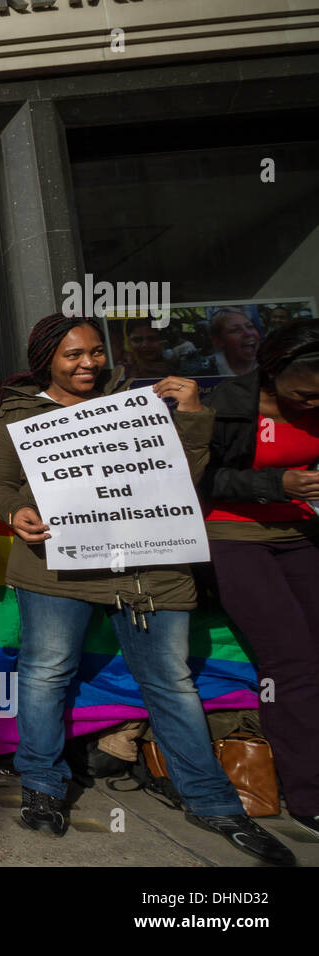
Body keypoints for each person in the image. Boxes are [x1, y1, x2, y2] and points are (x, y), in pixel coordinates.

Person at [0, 312, 293, 866]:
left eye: (95, 352)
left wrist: (194, 416)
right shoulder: (17, 414)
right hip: (56, 567)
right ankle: (43, 786)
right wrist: (14, 511)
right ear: (46, 361)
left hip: (147, 571)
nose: (88, 363)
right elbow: (0, 483)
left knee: (170, 684)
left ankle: (211, 802)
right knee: (46, 672)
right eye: (73, 355)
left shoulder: (142, 403)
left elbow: (188, 477)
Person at [202, 319, 319, 837]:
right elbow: (203, 477)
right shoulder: (229, 403)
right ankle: (307, 793)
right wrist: (278, 482)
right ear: (272, 375)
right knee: (290, 659)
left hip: (303, 533)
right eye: (305, 395)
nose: (313, 404)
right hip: (236, 536)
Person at [181, 307, 260, 377]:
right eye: (236, 330)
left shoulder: (268, 366)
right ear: (218, 340)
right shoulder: (201, 372)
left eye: (250, 327)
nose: (248, 333)